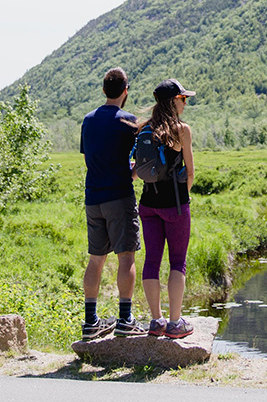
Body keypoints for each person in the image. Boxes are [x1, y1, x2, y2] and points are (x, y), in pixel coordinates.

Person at [79, 67, 142, 338]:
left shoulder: (88, 120)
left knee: (96, 259)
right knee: (126, 256)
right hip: (119, 196)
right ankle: (125, 319)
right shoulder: (129, 121)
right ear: (125, 91)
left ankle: (91, 321)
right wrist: (131, 171)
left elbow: (89, 159)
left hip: (93, 198)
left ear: (104, 90)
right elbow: (142, 160)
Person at [137, 78, 197, 338]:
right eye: (183, 99)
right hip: (175, 206)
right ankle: (175, 323)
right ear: (173, 101)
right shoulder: (182, 130)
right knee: (177, 262)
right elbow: (191, 173)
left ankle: (155, 321)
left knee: (151, 261)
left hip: (147, 204)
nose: (185, 103)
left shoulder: (143, 130)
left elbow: (138, 172)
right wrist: (182, 198)